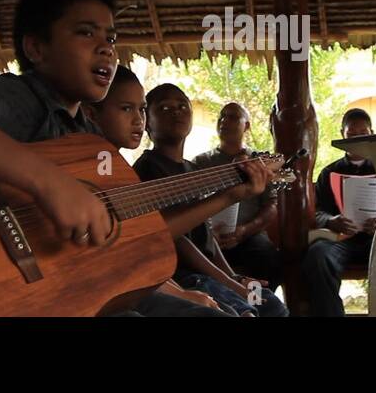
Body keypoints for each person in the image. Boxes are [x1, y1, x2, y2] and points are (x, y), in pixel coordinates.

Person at [0, 0, 271, 317]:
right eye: (86, 32)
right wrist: (49, 183)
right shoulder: (24, 97)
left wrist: (230, 194)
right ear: (36, 48)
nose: (106, 49)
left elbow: (136, 231)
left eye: (111, 38)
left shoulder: (87, 137)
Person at [134, 84, 288, 317]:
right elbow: (178, 241)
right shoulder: (147, 169)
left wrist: (233, 277)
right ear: (146, 121)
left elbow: (204, 232)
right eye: (164, 107)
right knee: (246, 312)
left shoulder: (192, 169)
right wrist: (232, 285)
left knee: (271, 304)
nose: (176, 112)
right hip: (184, 278)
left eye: (182, 106)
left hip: (213, 274)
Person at [85, 65, 228, 315]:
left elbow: (133, 251)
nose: (138, 119)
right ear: (91, 114)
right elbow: (146, 241)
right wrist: (183, 293)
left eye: (140, 109)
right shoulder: (114, 167)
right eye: (126, 108)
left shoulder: (116, 171)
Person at [302, 108, 376, 317]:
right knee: (318, 255)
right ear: (342, 135)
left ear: (371, 133)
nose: (356, 139)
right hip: (340, 239)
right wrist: (331, 221)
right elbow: (317, 213)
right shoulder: (330, 173)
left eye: (362, 134)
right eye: (351, 135)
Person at [193, 102, 282, 290]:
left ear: (247, 126)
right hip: (209, 236)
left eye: (232, 117)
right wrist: (207, 234)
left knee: (267, 257)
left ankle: (257, 305)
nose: (224, 121)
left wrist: (244, 231)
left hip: (249, 236)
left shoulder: (260, 162)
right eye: (221, 117)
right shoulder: (201, 163)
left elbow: (271, 206)